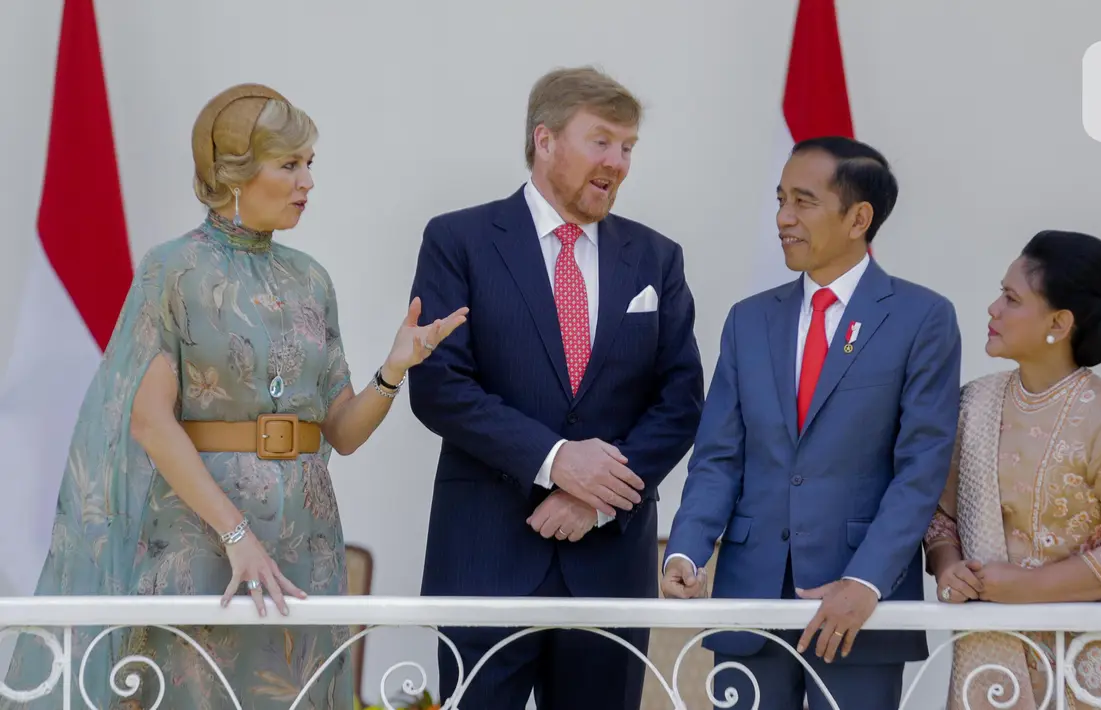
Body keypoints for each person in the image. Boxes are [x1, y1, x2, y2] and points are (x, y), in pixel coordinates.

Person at [0, 83, 467, 710]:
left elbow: (344, 432)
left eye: (310, 165)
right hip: (201, 536)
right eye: (290, 164)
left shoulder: (311, 279)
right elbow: (149, 422)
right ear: (233, 174)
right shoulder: (174, 270)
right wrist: (236, 533)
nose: (307, 181)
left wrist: (395, 367)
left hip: (307, 539)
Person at [407, 66, 705, 710]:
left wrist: (596, 499)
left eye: (628, 148)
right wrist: (556, 461)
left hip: (610, 561)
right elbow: (439, 386)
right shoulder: (457, 240)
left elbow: (680, 401)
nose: (618, 163)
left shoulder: (657, 258)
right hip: (484, 557)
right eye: (601, 142)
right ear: (545, 141)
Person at [661, 136, 962, 710]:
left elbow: (921, 468)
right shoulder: (748, 321)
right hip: (750, 598)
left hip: (859, 607)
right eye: (779, 200)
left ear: (859, 218)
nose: (783, 219)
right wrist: (686, 552)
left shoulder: (922, 318)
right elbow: (718, 456)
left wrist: (868, 581)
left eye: (803, 201)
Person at [924, 230, 1101, 710]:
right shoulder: (974, 404)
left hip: (1089, 667)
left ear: (1059, 322)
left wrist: (1029, 588)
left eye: (1012, 298)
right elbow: (941, 515)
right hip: (990, 667)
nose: (993, 309)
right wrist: (948, 565)